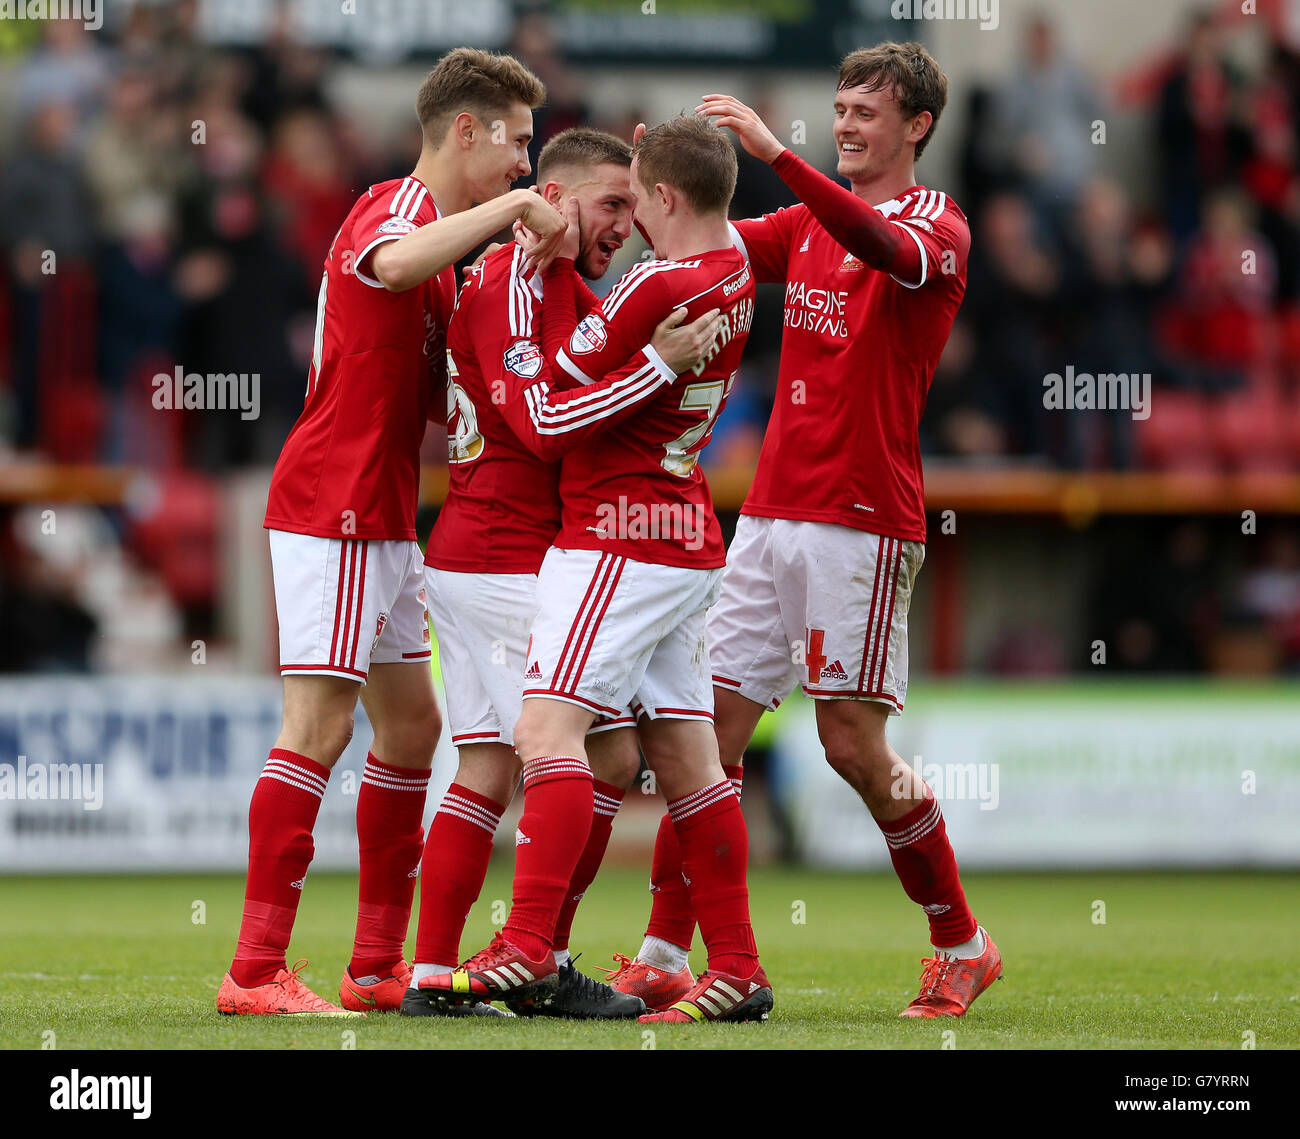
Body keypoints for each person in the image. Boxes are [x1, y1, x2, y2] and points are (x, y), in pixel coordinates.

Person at [609, 42, 1003, 1019]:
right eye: (839, 107)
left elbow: (873, 241)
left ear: (915, 126)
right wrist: (658, 190)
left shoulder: (935, 225)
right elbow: (711, 246)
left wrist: (775, 154)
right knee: (701, 740)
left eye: (866, 112)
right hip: (771, 515)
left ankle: (961, 939)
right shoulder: (804, 222)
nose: (845, 124)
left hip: (861, 522)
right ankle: (663, 950)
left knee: (852, 746)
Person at [218, 48, 568, 1017]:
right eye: (515, 145)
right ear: (467, 131)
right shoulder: (396, 212)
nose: (520, 168)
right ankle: (252, 969)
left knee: (413, 724)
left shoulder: (447, 254)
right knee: (317, 725)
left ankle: (374, 963)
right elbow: (396, 263)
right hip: (330, 504)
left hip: (382, 518)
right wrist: (508, 217)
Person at [418, 115, 775, 1025]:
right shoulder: (731, 263)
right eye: (604, 202)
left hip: (615, 536)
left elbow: (550, 415)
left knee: (540, 741)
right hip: (680, 529)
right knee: (684, 761)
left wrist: (650, 361)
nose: (625, 224)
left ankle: (528, 944)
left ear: (663, 197)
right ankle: (734, 965)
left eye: (634, 199)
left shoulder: (649, 288)